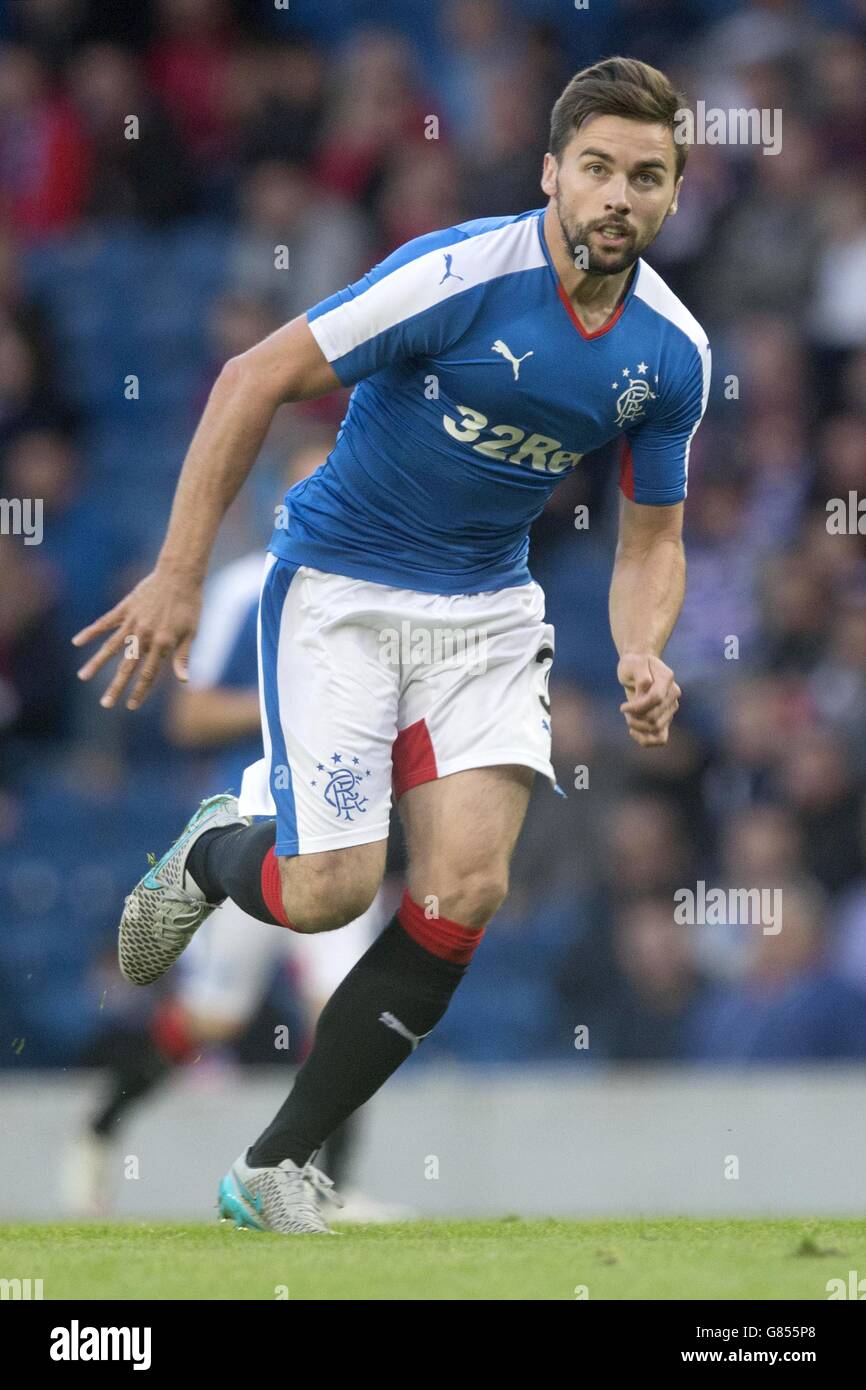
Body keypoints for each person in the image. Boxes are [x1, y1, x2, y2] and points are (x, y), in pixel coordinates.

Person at [73, 57, 711, 1234]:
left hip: (486, 610)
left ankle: (273, 1166)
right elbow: (251, 376)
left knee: (467, 884)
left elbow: (649, 541)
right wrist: (173, 573)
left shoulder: (671, 353)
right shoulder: (460, 272)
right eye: (597, 169)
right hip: (342, 590)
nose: (618, 194)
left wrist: (641, 649)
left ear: (672, 193)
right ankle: (220, 849)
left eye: (646, 175)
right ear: (550, 174)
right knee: (326, 895)